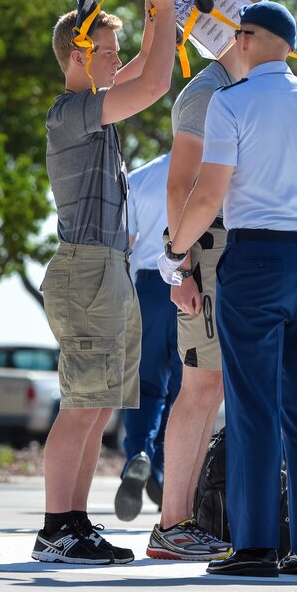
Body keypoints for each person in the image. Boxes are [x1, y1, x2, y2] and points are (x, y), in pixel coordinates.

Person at [159, 1, 297, 578]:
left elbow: (210, 194)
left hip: (255, 257)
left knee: (251, 406)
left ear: (245, 39)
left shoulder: (230, 102)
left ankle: (257, 547)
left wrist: (174, 251)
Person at [32, 0, 176, 565]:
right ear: (78, 55)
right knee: (82, 405)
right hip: (87, 269)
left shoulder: (93, 101)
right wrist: (165, 10)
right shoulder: (71, 112)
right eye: (108, 53)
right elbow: (152, 86)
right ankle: (55, 529)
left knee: (98, 408)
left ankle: (76, 523)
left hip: (106, 269)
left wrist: (155, 12)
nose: (117, 62)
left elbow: (146, 68)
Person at [145, 42, 244, 561]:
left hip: (231, 247)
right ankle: (170, 524)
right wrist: (179, 265)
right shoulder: (205, 92)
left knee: (214, 387)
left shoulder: (237, 90)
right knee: (200, 386)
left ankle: (183, 522)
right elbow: (180, 183)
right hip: (204, 250)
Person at [114, 152, 182, 522]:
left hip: (149, 288)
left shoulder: (140, 176)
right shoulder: (214, 168)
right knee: (185, 391)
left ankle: (139, 455)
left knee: (145, 385)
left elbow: (126, 241)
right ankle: (163, 467)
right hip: (192, 284)